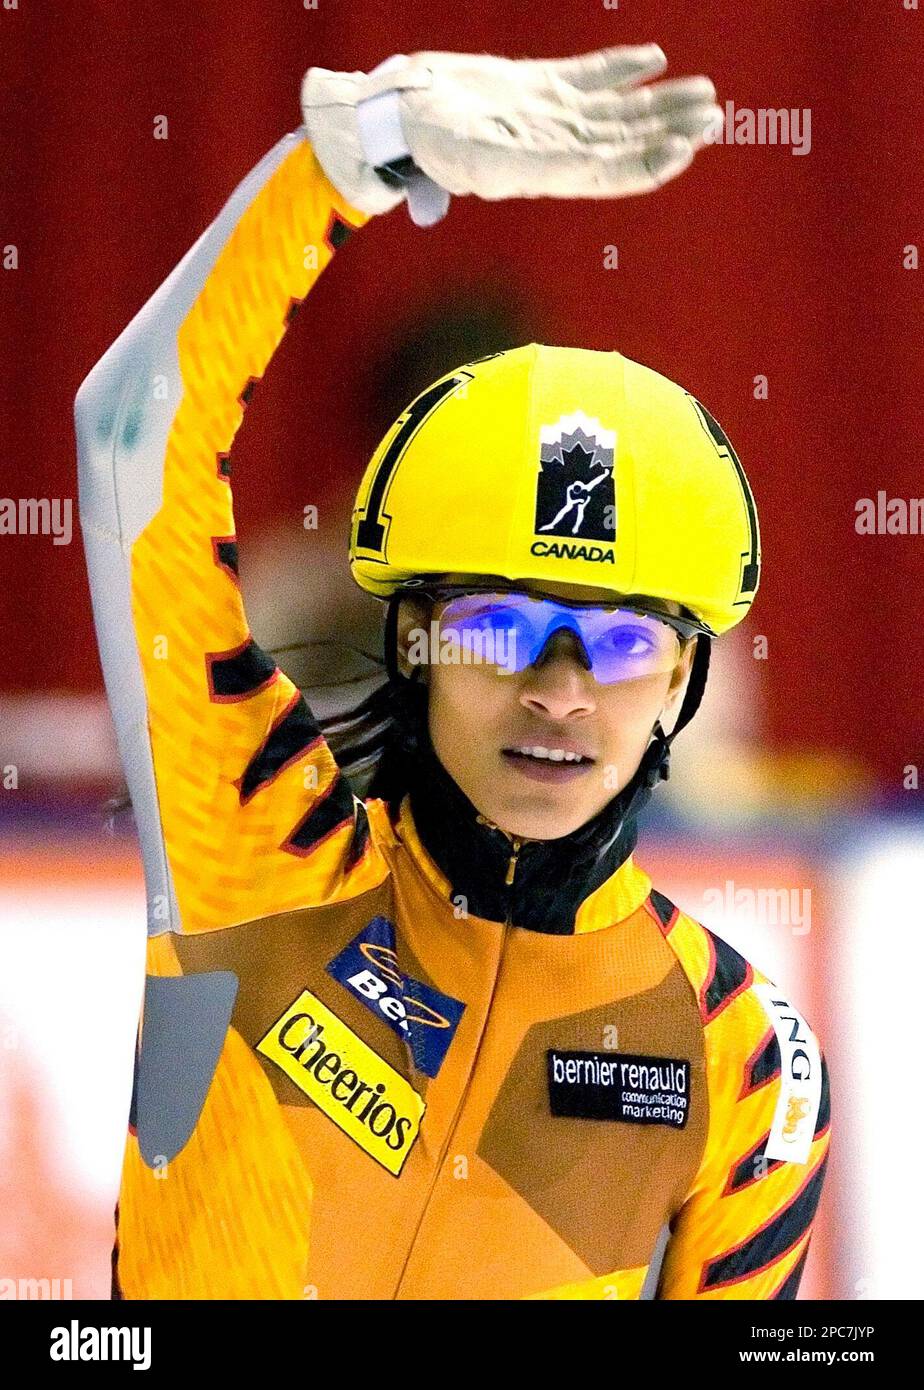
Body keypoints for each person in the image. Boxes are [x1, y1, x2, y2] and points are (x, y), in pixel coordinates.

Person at [75, 43, 831, 1300]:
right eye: (497, 625)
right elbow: (126, 447)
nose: (560, 691)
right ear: (414, 638)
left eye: (627, 641)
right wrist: (351, 157)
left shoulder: (743, 1057)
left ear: (684, 682)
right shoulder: (254, 843)